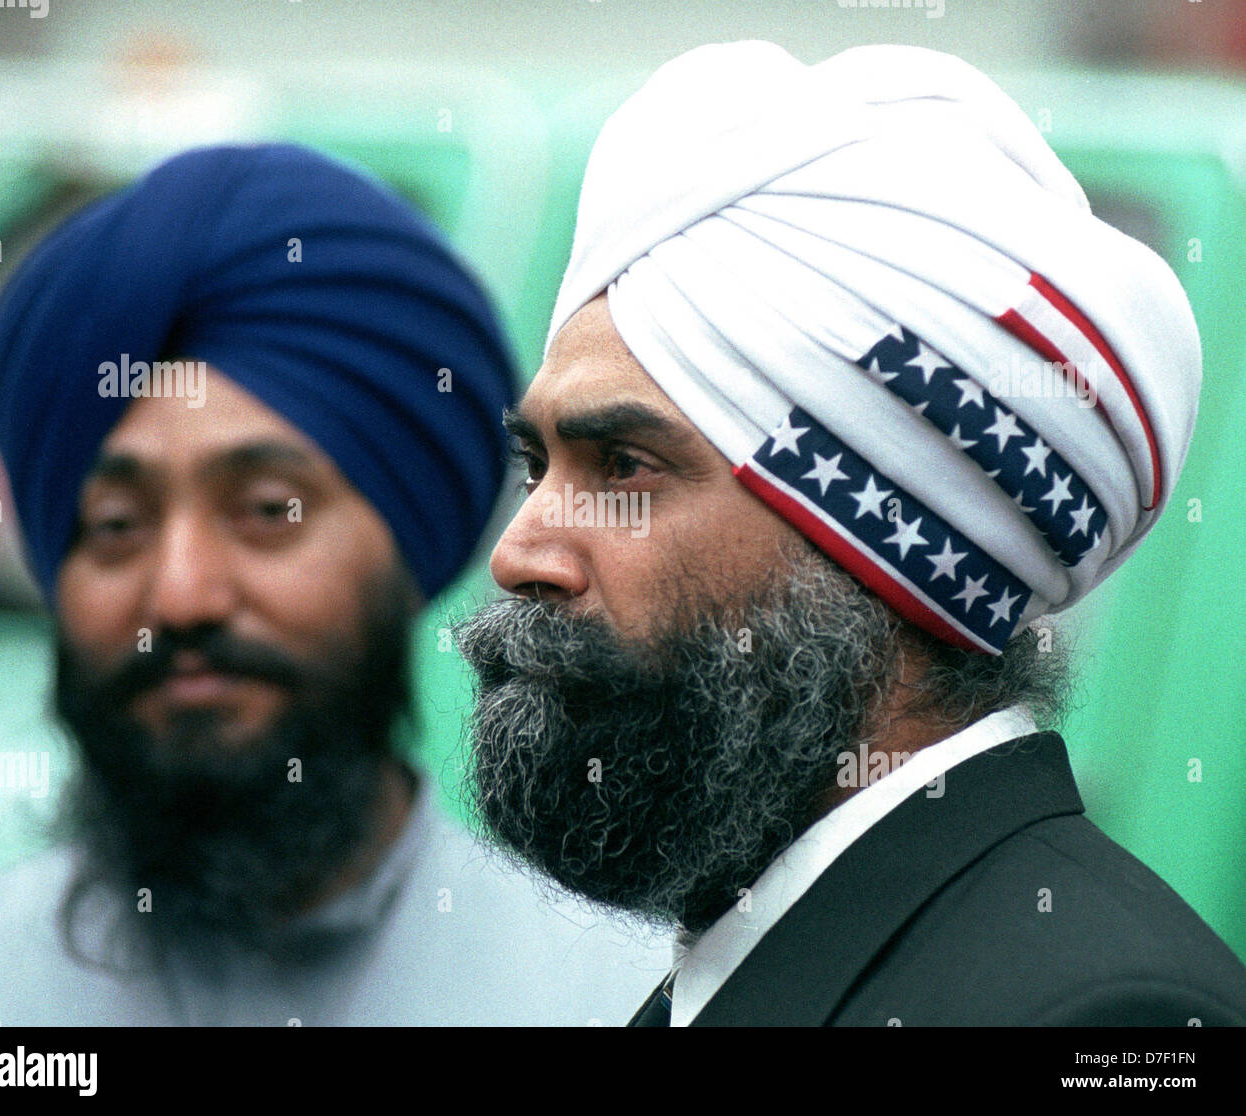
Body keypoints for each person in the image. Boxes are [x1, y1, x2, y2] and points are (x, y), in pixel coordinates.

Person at [453, 42, 1246, 1026]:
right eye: (538, 470)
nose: (520, 553)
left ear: (879, 556)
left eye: (622, 469)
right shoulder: (750, 961)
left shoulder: (1106, 1016)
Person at [0, 142, 667, 1026]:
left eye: (267, 510)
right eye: (115, 527)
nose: (180, 597)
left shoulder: (631, 997)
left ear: (410, 546)